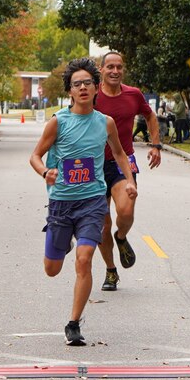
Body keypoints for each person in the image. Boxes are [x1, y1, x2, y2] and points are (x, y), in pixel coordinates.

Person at [28, 57, 136, 346]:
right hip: (62, 202)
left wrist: (130, 181)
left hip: (92, 202)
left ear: (96, 87)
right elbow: (35, 155)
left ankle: (73, 323)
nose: (83, 88)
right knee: (52, 269)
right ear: (70, 91)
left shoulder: (106, 123)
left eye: (88, 82)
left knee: (85, 260)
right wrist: (45, 172)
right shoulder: (58, 122)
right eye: (77, 84)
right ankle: (64, 241)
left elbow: (121, 154)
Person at [92, 51, 161, 292]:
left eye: (119, 67)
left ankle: (121, 237)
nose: (115, 71)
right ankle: (111, 271)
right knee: (101, 224)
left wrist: (155, 145)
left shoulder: (133, 94)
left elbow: (150, 116)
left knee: (126, 209)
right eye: (110, 66)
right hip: (94, 165)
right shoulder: (91, 95)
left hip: (123, 161)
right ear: (101, 70)